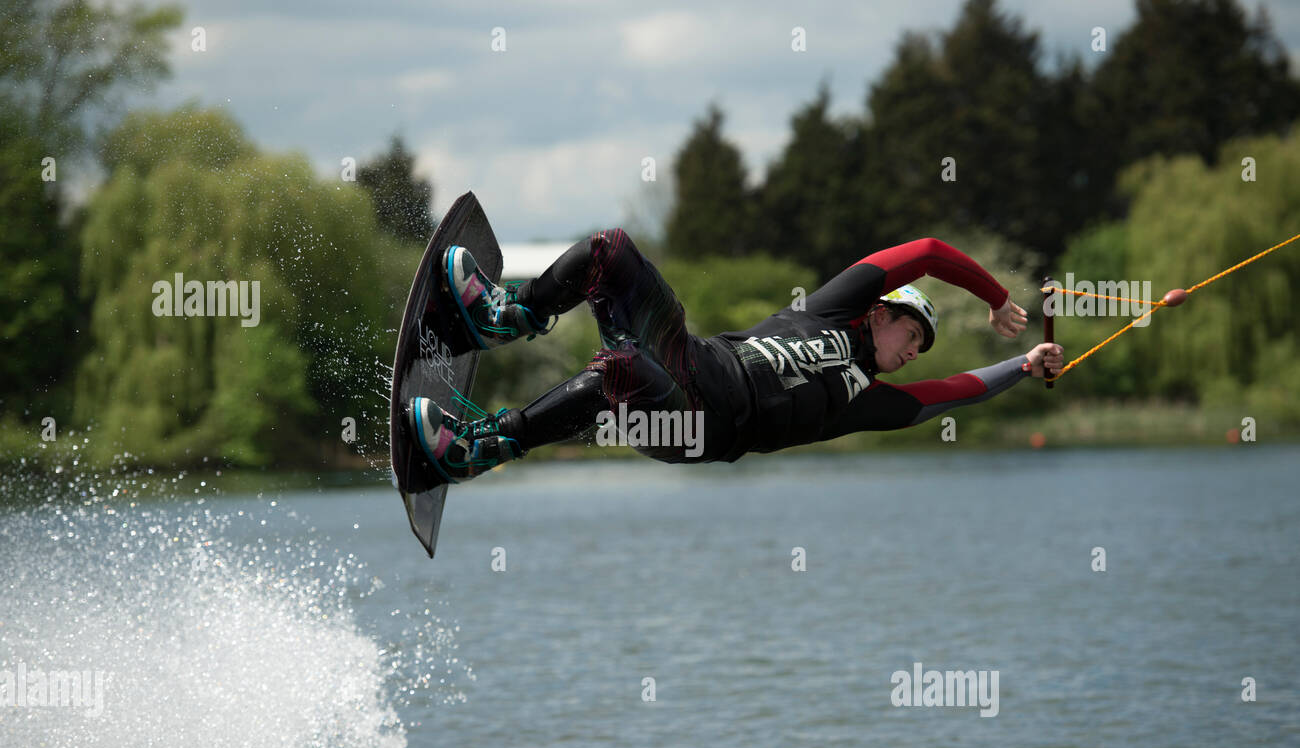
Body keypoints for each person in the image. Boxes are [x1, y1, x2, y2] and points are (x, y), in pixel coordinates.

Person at [406, 229, 1065, 482]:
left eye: (920, 350)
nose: (913, 354)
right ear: (879, 311)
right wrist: (996, 295)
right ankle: (507, 317)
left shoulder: (871, 402)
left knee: (619, 373)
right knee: (610, 249)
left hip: (696, 427)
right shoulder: (831, 307)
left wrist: (1024, 364)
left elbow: (962, 390)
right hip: (688, 357)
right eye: (912, 336)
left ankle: (483, 448)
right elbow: (924, 251)